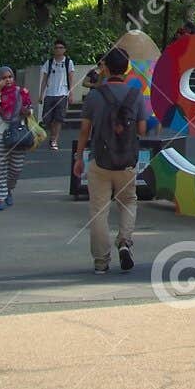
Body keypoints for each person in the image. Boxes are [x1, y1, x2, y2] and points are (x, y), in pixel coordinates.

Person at [75, 47, 148, 274]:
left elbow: (84, 131)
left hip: (100, 159)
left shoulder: (95, 96)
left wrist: (79, 158)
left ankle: (101, 261)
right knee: (128, 201)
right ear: (126, 68)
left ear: (105, 68)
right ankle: (124, 241)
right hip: (127, 160)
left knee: (99, 211)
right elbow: (142, 130)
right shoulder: (135, 95)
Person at [0, 66, 33, 210]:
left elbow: (30, 109)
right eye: (4, 78)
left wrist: (26, 111)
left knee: (16, 167)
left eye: (10, 77)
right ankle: (0, 198)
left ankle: (8, 189)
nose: (8, 80)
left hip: (18, 133)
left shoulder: (21, 92)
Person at [38, 39, 75, 152]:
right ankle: (52, 135)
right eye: (56, 48)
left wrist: (71, 93)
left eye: (60, 48)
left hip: (62, 93)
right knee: (47, 118)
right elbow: (44, 79)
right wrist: (41, 94)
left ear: (64, 49)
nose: (58, 50)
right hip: (50, 93)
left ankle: (54, 139)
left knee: (59, 118)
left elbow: (71, 78)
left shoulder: (68, 62)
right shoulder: (49, 63)